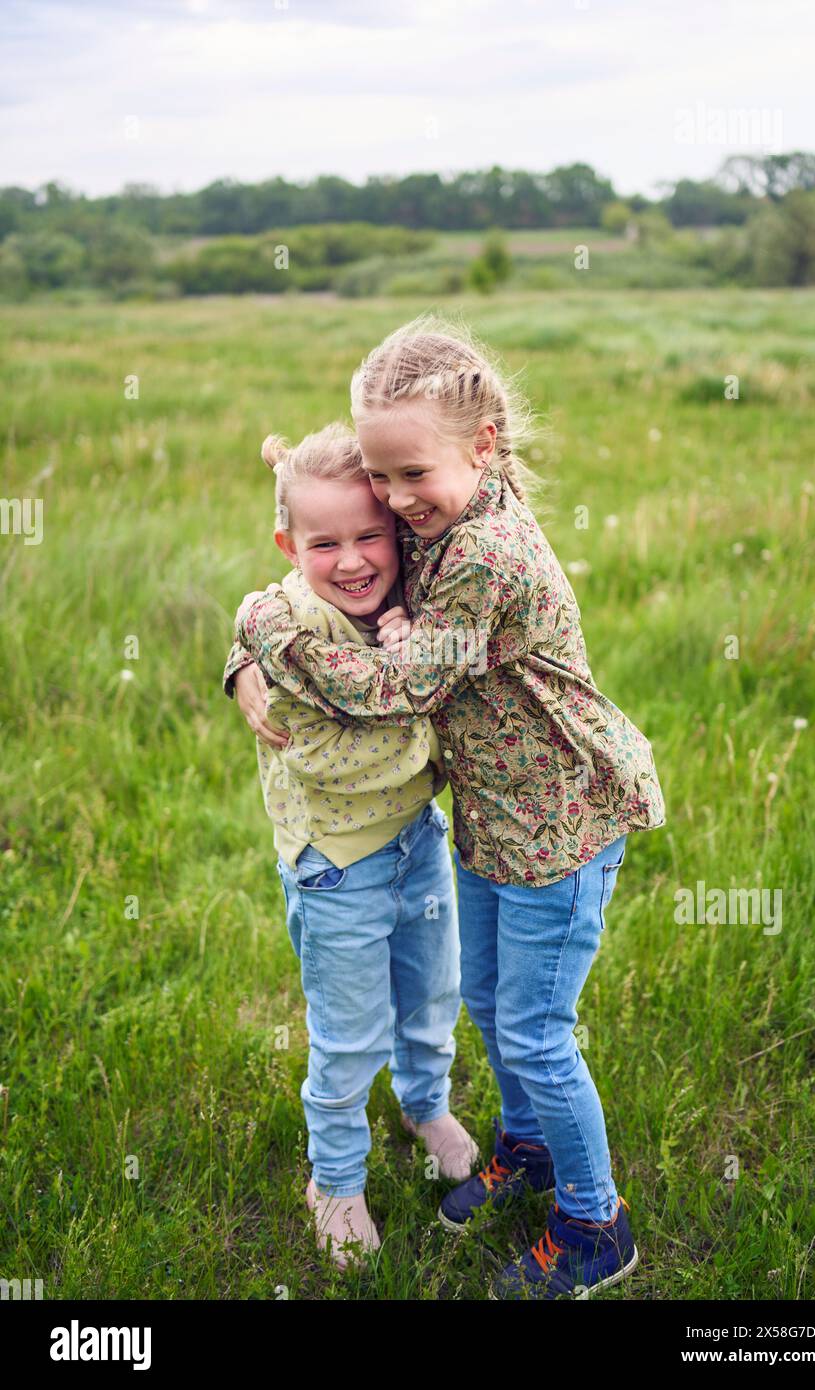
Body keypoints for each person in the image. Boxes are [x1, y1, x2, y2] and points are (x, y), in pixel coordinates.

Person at [232, 315, 666, 1299]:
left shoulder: (482, 553)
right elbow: (322, 547)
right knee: (484, 1000)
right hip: (486, 817)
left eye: (405, 478)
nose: (388, 501)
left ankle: (594, 1221)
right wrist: (244, 658)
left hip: (561, 815)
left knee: (535, 1028)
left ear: (482, 447)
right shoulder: (438, 504)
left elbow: (391, 689)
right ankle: (526, 1148)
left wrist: (261, 630)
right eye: (378, 477)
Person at [224, 421, 478, 1272]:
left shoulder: (408, 604)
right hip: (338, 864)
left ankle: (425, 1102)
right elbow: (348, 755)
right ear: (287, 545)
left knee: (431, 992)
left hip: (418, 842)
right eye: (324, 542)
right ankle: (334, 1180)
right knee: (347, 1034)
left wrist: (415, 647)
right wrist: (426, 718)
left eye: (370, 535)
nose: (352, 560)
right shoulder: (288, 626)